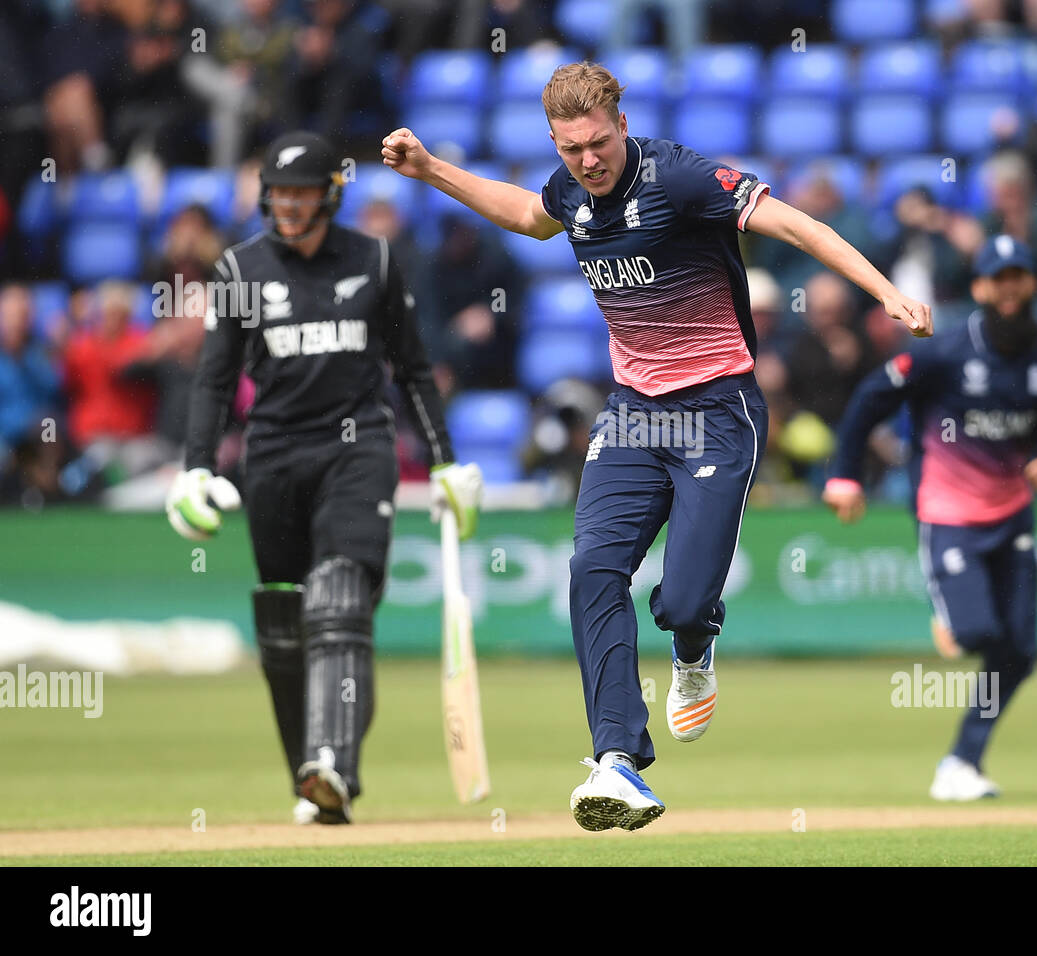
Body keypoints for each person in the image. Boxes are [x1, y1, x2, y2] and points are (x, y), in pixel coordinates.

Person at [382, 60, 932, 830]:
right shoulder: (569, 189)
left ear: (623, 127)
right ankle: (617, 760)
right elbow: (525, 215)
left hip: (718, 408)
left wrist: (887, 292)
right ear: (555, 141)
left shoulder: (677, 178)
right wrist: (432, 168)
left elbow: (795, 224)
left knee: (682, 601)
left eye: (599, 143)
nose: (588, 161)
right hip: (635, 415)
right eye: (571, 148)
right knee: (592, 569)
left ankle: (694, 650)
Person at [166, 130, 482, 824]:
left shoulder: (373, 259)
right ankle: (314, 784)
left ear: (330, 195)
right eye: (278, 194)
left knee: (338, 600)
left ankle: (332, 761)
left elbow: (414, 368)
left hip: (356, 451)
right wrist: (193, 469)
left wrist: (446, 462)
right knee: (285, 626)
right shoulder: (242, 270)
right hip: (273, 458)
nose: (288, 206)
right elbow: (215, 380)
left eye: (302, 193)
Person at [823, 235, 1037, 801]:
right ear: (980, 287)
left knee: (1021, 652)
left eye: (1018, 276)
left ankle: (961, 762)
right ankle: (952, 619)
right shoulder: (944, 352)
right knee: (978, 631)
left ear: (1031, 283)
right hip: (949, 512)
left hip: (1013, 515)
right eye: (997, 277)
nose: (1009, 287)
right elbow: (869, 399)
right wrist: (845, 475)